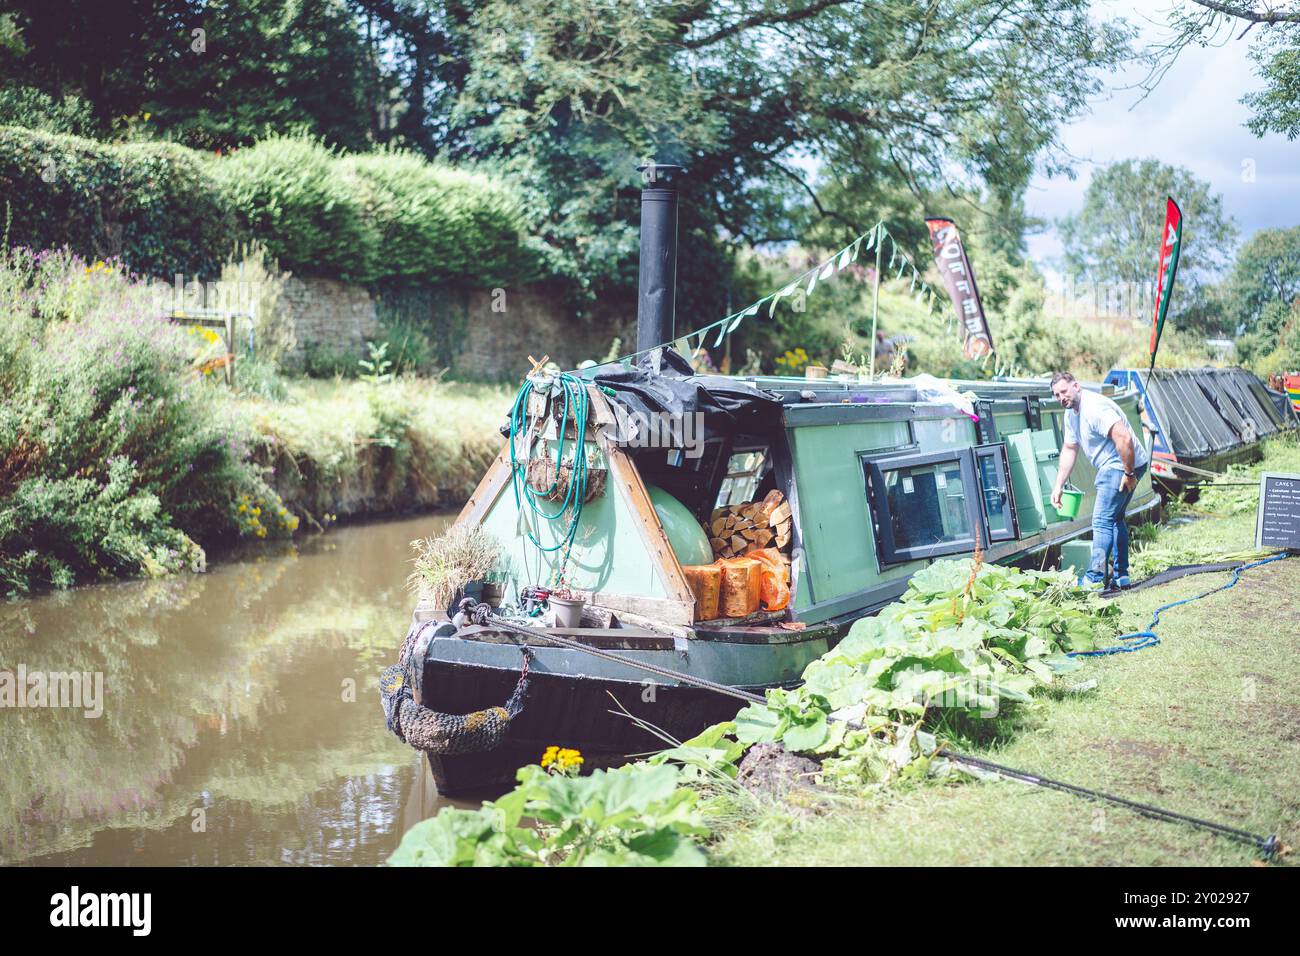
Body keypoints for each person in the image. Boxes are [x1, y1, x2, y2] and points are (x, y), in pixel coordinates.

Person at [1049, 371, 1149, 590]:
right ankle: (1121, 576)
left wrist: (1129, 474)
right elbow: (1069, 448)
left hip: (1120, 465)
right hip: (1125, 464)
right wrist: (1058, 485)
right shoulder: (1071, 414)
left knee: (1101, 521)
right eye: (1056, 395)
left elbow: (1124, 437)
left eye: (1064, 391)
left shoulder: (1094, 408)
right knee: (1115, 518)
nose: (1061, 397)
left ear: (1076, 386)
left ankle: (1095, 578)